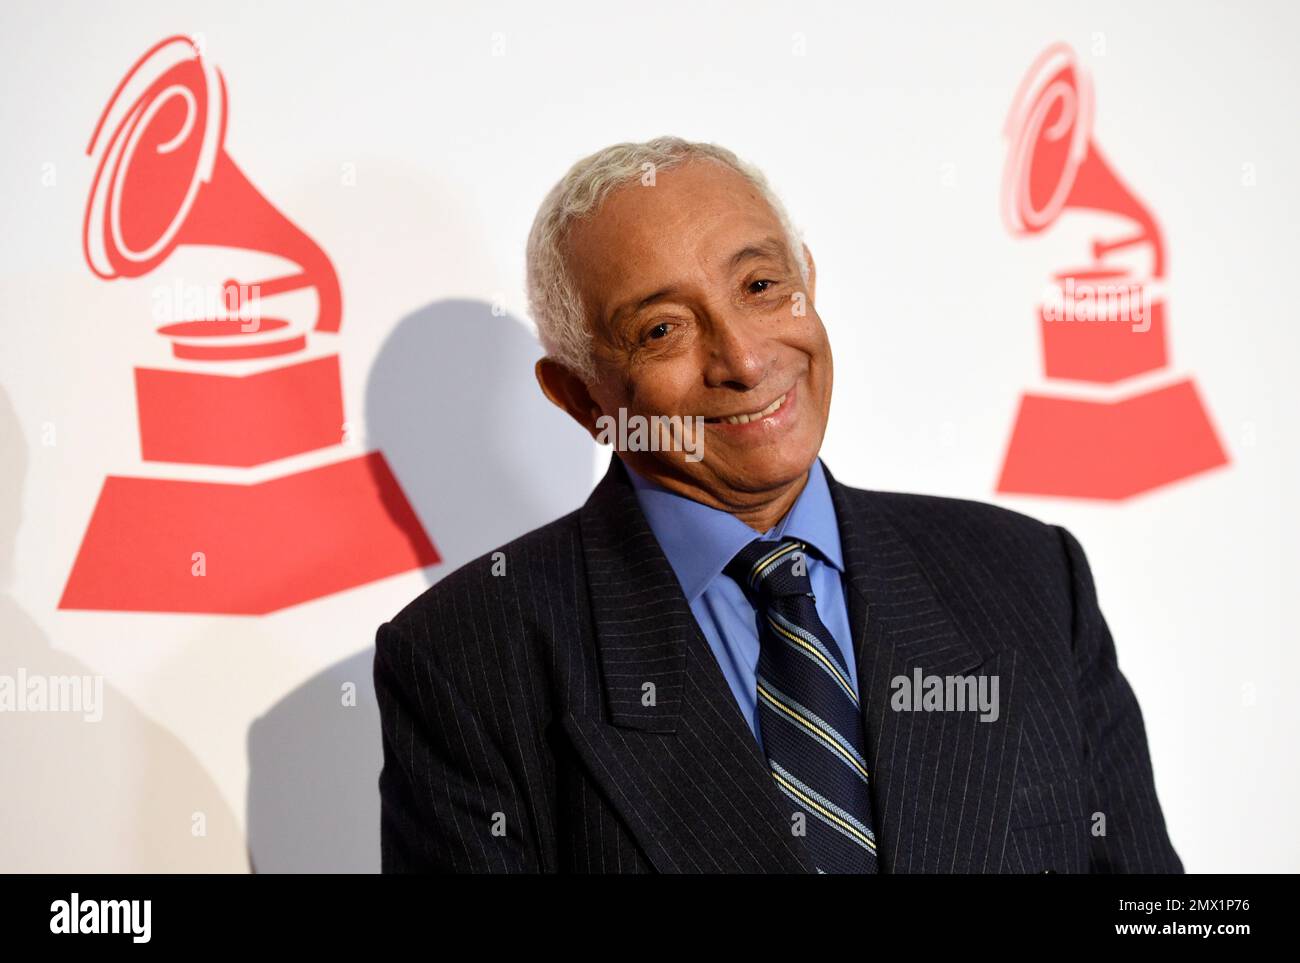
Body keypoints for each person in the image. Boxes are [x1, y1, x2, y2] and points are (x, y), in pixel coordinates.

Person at [373, 136, 1182, 873]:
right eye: (662, 330)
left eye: (762, 285)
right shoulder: (465, 660)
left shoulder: (1028, 576)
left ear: (809, 283)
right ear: (581, 397)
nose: (746, 359)